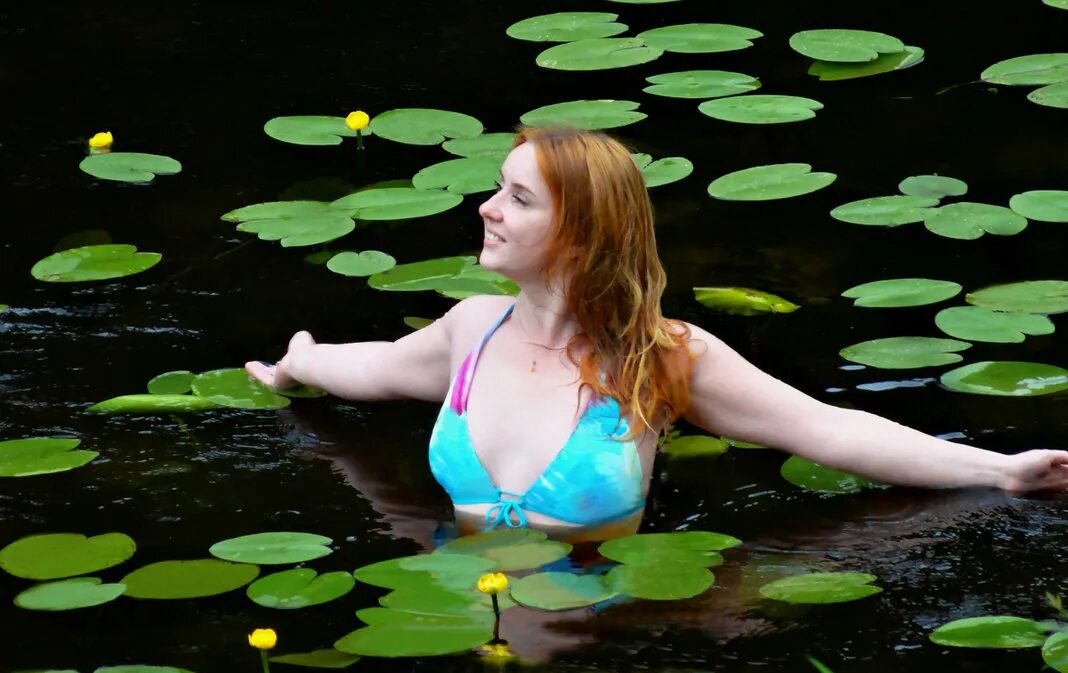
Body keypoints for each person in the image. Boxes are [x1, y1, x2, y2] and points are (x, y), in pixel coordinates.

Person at [246, 126, 1068, 543]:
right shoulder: (472, 330)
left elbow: (826, 429)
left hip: (609, 625)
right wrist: (298, 364)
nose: (487, 209)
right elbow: (380, 367)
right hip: (455, 606)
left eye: (518, 199)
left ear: (582, 235)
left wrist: (1000, 470)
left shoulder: (660, 356)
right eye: (498, 188)